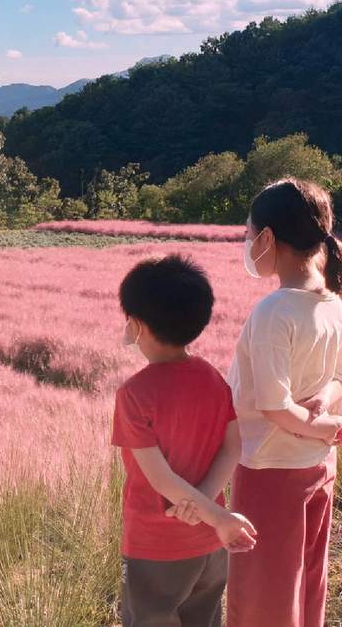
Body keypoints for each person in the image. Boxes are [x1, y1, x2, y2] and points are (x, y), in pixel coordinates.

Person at [224, 178, 342, 627]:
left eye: (248, 233)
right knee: (307, 579)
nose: (246, 243)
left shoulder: (273, 313)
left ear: (268, 238)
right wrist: (324, 404)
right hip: (319, 467)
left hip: (269, 469)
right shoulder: (332, 303)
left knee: (263, 591)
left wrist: (319, 425)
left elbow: (275, 407)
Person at [112, 255, 258, 627]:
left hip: (155, 544)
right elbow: (232, 447)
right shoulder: (212, 378)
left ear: (136, 325)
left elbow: (160, 479)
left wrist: (219, 517)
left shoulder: (134, 394)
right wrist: (209, 506)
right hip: (208, 543)